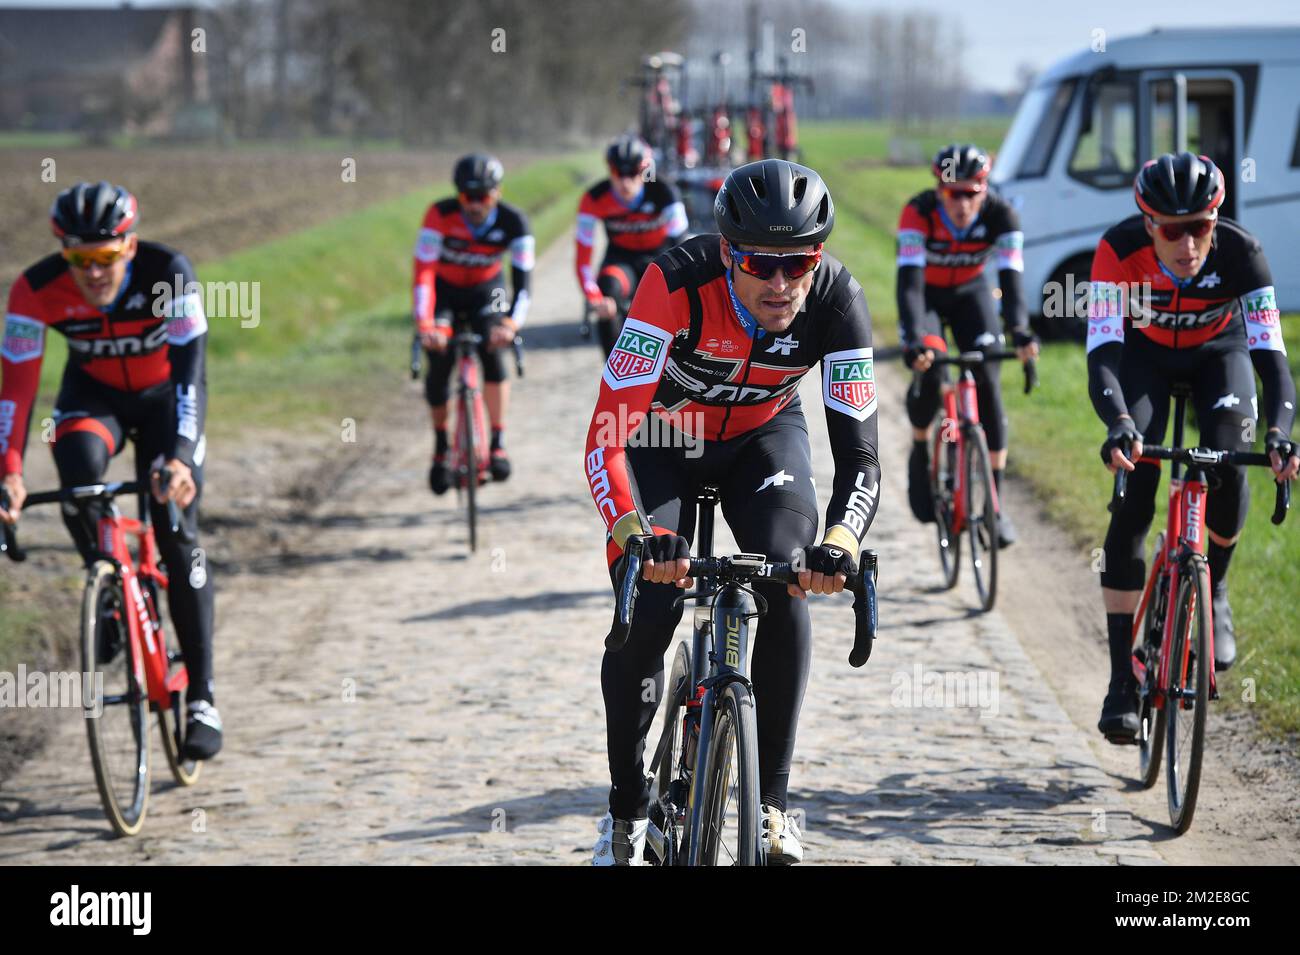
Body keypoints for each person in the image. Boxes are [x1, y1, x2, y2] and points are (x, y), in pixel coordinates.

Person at [583, 159, 880, 864]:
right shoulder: (674, 284)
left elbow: (861, 459)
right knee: (648, 612)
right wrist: (636, 532)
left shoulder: (837, 298)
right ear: (727, 253)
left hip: (764, 439)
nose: (781, 284)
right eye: (760, 265)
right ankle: (627, 809)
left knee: (787, 585)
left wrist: (839, 541)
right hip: (664, 437)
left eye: (798, 264)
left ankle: (771, 804)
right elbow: (606, 437)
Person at [0, 181, 221, 759]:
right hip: (94, 400)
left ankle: (201, 695)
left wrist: (179, 453)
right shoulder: (33, 289)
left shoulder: (168, 272)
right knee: (76, 467)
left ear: (130, 246)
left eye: (105, 258)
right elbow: (16, 390)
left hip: (166, 403)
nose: (93, 273)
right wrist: (10, 470)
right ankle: (107, 580)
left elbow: (191, 372)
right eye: (79, 259)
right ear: (62, 252)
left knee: (176, 533)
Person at [1088, 152, 1298, 741]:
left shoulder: (1242, 252)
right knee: (1135, 490)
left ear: (1216, 219)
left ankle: (1217, 586)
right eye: (1171, 229)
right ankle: (1120, 682)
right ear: (1148, 222)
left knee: (1230, 463)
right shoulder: (1116, 249)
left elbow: (1272, 361)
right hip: (1145, 358)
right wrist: (1119, 421)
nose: (1187, 243)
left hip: (1219, 356)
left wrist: (1280, 433)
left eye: (1200, 226)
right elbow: (1102, 353)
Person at [896, 143, 1039, 545]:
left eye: (970, 193)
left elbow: (1011, 280)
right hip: (926, 296)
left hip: (971, 295)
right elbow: (909, 283)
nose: (961, 203)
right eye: (952, 193)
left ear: (984, 188)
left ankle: (994, 504)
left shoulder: (1002, 214)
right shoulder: (918, 211)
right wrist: (913, 338)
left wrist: (1021, 330)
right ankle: (922, 449)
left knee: (989, 378)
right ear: (939, 191)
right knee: (932, 364)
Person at [414, 153, 533, 494]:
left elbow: (524, 282)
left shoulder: (515, 222)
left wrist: (511, 323)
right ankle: (440, 449)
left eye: (483, 196)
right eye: (468, 196)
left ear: (497, 193)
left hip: (486, 292)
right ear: (458, 194)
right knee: (438, 362)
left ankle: (497, 442)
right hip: (445, 293)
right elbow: (423, 273)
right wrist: (425, 323)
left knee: (494, 349)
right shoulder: (439, 215)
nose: (476, 204)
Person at [575, 134, 688, 357]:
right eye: (618, 173)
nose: (625, 182)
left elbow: (681, 245)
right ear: (609, 170)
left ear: (644, 169)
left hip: (660, 258)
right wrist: (595, 298)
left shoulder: (664, 191)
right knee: (608, 289)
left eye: (633, 173)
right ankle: (613, 369)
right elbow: (583, 260)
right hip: (621, 259)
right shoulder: (594, 198)